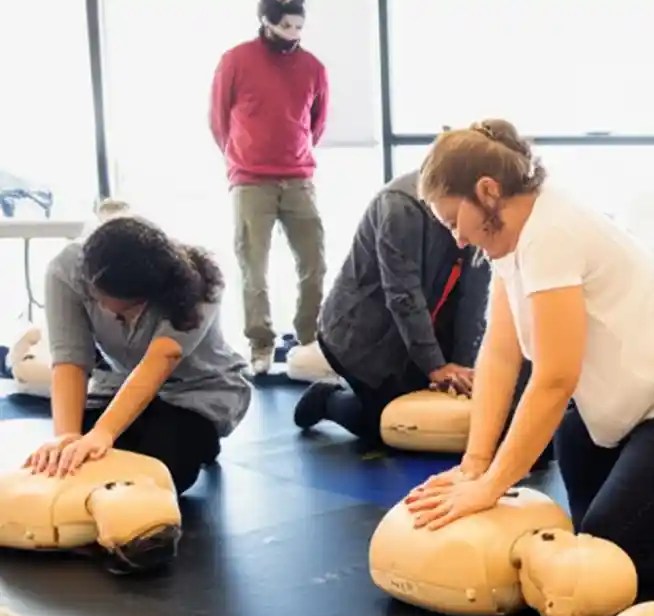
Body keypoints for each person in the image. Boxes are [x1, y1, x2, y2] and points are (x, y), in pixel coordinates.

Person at [401, 120, 654, 584]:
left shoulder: (550, 232)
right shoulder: (510, 237)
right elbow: (499, 353)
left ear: (488, 190)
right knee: (590, 541)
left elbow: (555, 378)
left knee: (612, 561)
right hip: (624, 405)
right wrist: (473, 467)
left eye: (455, 221)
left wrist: (493, 486)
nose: (457, 239)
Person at [25, 217, 253, 494]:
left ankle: (202, 440)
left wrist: (103, 433)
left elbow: (160, 359)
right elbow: (70, 360)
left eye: (127, 310)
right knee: (79, 461)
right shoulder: (65, 270)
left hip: (195, 391)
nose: (111, 315)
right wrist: (67, 438)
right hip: (117, 385)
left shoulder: (200, 281)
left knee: (158, 475)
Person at [293, 170, 490, 445]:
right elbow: (402, 295)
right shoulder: (400, 206)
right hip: (361, 336)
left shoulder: (486, 212)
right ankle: (326, 400)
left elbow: (474, 299)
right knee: (385, 424)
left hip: (420, 331)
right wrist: (435, 366)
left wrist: (460, 370)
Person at [209, 0, 328, 375]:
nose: (294, 34)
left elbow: (317, 122)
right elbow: (218, 119)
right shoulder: (235, 60)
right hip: (250, 180)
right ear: (267, 22)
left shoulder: (313, 67)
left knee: (314, 263)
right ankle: (260, 345)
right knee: (253, 268)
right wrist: (240, 159)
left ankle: (309, 340)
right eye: (287, 27)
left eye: (299, 27)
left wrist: (297, 154)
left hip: (299, 178)